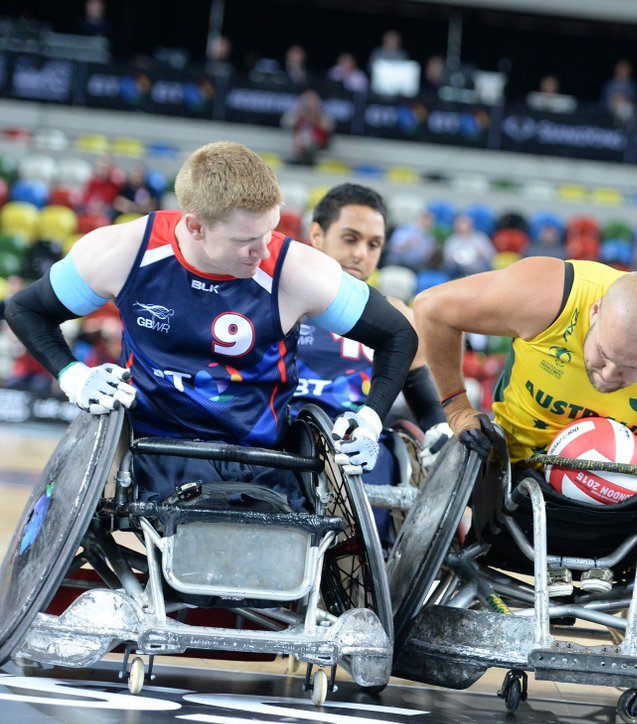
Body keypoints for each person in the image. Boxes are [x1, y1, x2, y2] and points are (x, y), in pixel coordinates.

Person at [3, 141, 418, 506]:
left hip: (263, 459)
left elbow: (398, 333)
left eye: (270, 231)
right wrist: (73, 375)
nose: (262, 250)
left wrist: (370, 419)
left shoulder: (297, 269)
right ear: (195, 226)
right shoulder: (122, 252)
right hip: (146, 447)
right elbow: (25, 309)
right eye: (245, 241)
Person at [413, 257, 637, 578]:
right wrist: (458, 408)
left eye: (630, 367)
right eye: (604, 353)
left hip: (616, 501)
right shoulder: (548, 295)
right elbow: (432, 308)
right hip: (509, 478)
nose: (610, 375)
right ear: (595, 311)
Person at [297, 183, 444, 543]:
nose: (361, 254)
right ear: (317, 234)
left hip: (357, 452)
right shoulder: (280, 295)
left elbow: (429, 409)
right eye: (350, 238)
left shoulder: (396, 316)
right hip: (280, 440)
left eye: (373, 244)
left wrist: (446, 436)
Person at [282, 90, 333, 166]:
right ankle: (300, 159)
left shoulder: (322, 115)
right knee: (301, 138)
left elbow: (328, 127)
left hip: (317, 142)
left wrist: (315, 118)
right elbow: (286, 123)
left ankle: (307, 160)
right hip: (299, 140)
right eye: (307, 99)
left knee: (307, 139)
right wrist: (300, 115)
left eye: (311, 100)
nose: (309, 103)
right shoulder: (296, 114)